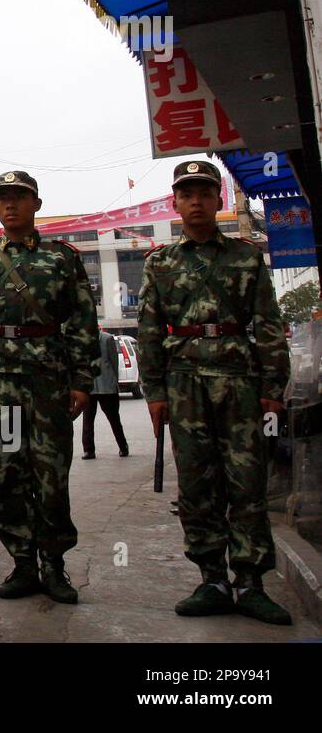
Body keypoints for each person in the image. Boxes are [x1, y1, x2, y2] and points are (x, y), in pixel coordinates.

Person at [137, 160, 292, 625]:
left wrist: (273, 387)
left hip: (240, 383)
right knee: (197, 483)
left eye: (205, 193)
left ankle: (250, 582)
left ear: (218, 200)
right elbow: (147, 330)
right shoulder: (160, 262)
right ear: (175, 203)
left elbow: (267, 323)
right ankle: (212, 579)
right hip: (183, 383)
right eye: (187, 194)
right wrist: (154, 392)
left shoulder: (245, 257)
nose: (196, 202)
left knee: (247, 482)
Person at [0, 171, 97, 605]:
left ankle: (54, 564)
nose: (10, 205)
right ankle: (21, 562)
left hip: (49, 379)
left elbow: (81, 321)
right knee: (6, 475)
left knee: (51, 474)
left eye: (19, 197)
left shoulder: (61, 257)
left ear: (36, 204)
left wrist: (82, 379)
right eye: (2, 198)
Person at [82, 330, 128, 459]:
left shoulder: (107, 339)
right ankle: (88, 450)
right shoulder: (83, 339)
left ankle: (123, 446)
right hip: (89, 386)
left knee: (114, 418)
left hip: (107, 385)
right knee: (88, 420)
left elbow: (114, 361)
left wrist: (116, 382)